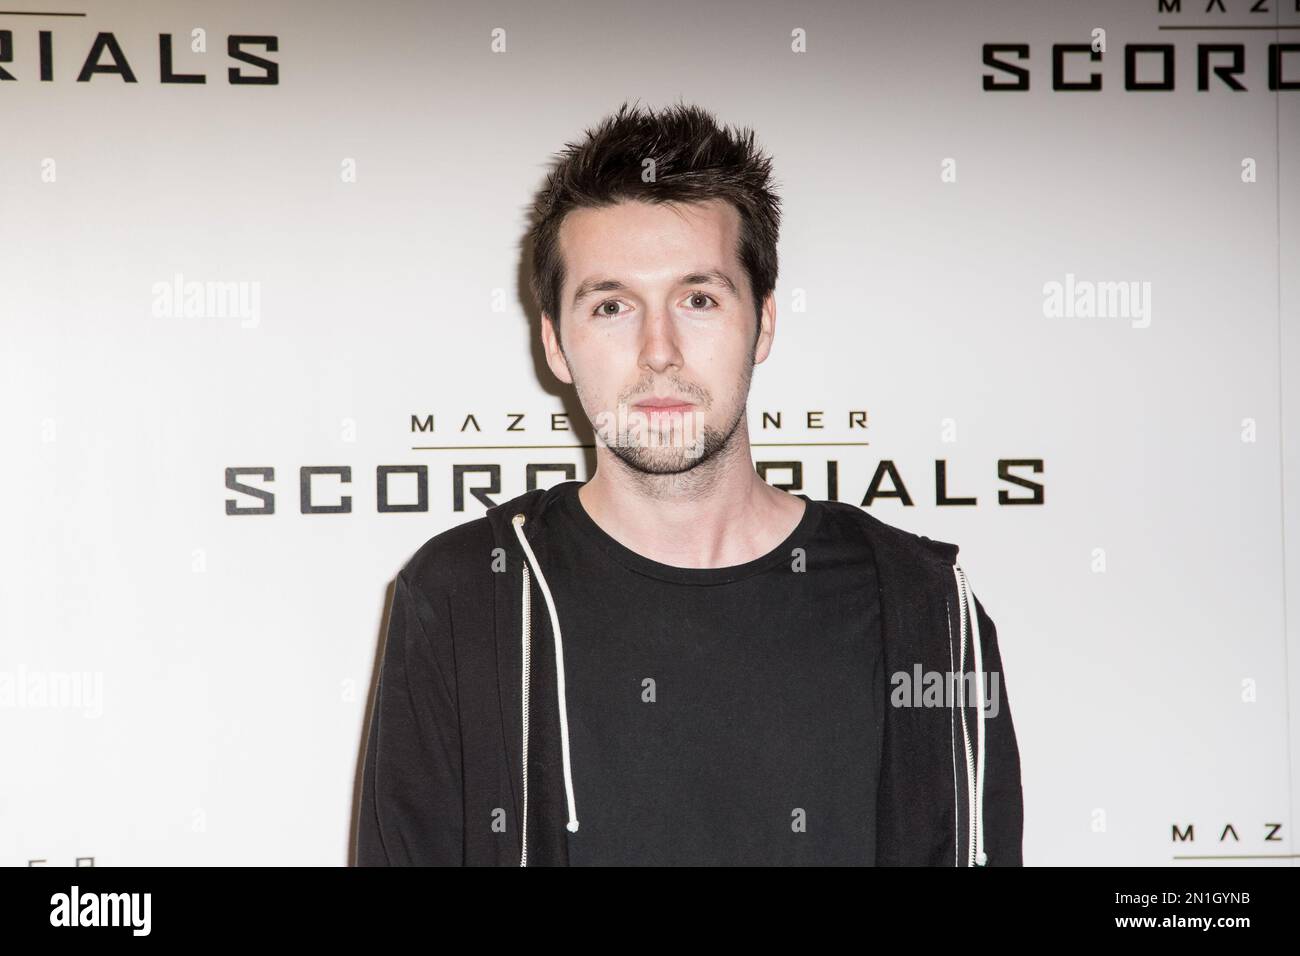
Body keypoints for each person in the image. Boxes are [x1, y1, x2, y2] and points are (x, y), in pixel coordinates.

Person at [356, 101, 1023, 866]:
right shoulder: (464, 597)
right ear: (556, 345)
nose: (659, 351)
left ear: (763, 322)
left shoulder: (926, 607)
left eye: (698, 299)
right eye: (611, 306)